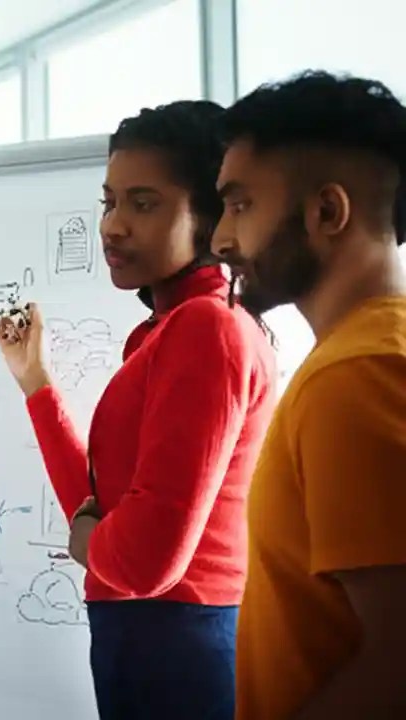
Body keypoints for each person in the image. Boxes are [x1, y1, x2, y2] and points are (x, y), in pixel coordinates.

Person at [0, 101, 277, 719]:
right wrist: (35, 381)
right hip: (153, 637)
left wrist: (92, 543)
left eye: (143, 204)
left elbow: (147, 560)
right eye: (109, 202)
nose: (112, 226)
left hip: (179, 641)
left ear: (210, 215)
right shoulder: (164, 331)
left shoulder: (207, 326)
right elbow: (91, 510)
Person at [212, 71, 406, 720]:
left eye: (240, 205)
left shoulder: (357, 374)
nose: (220, 240)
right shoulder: (362, 357)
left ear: (327, 211)